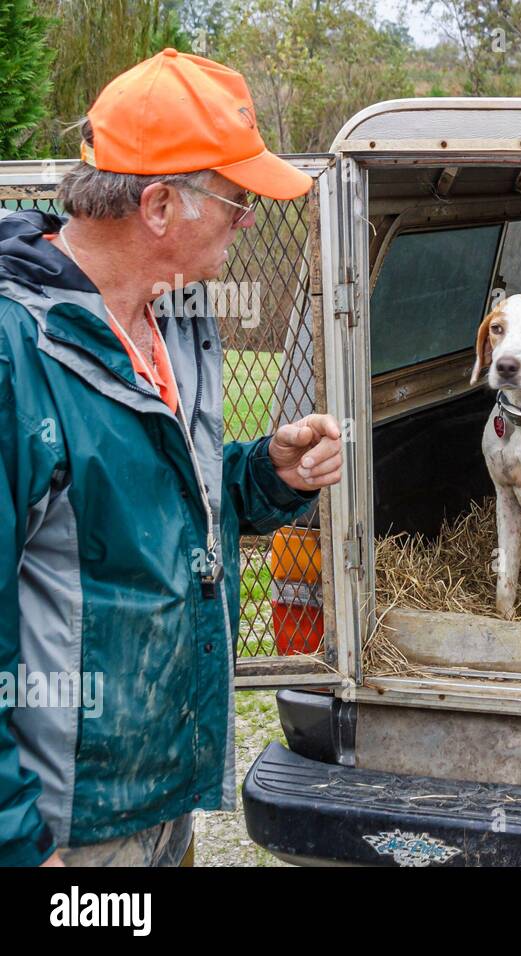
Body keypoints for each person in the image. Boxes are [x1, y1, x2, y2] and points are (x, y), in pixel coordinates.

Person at [0, 48, 343, 867]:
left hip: (163, 794)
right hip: (65, 829)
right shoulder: (17, 353)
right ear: (158, 205)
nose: (250, 218)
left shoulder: (177, 320)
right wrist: (16, 841)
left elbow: (148, 504)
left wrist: (264, 475)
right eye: (236, 199)